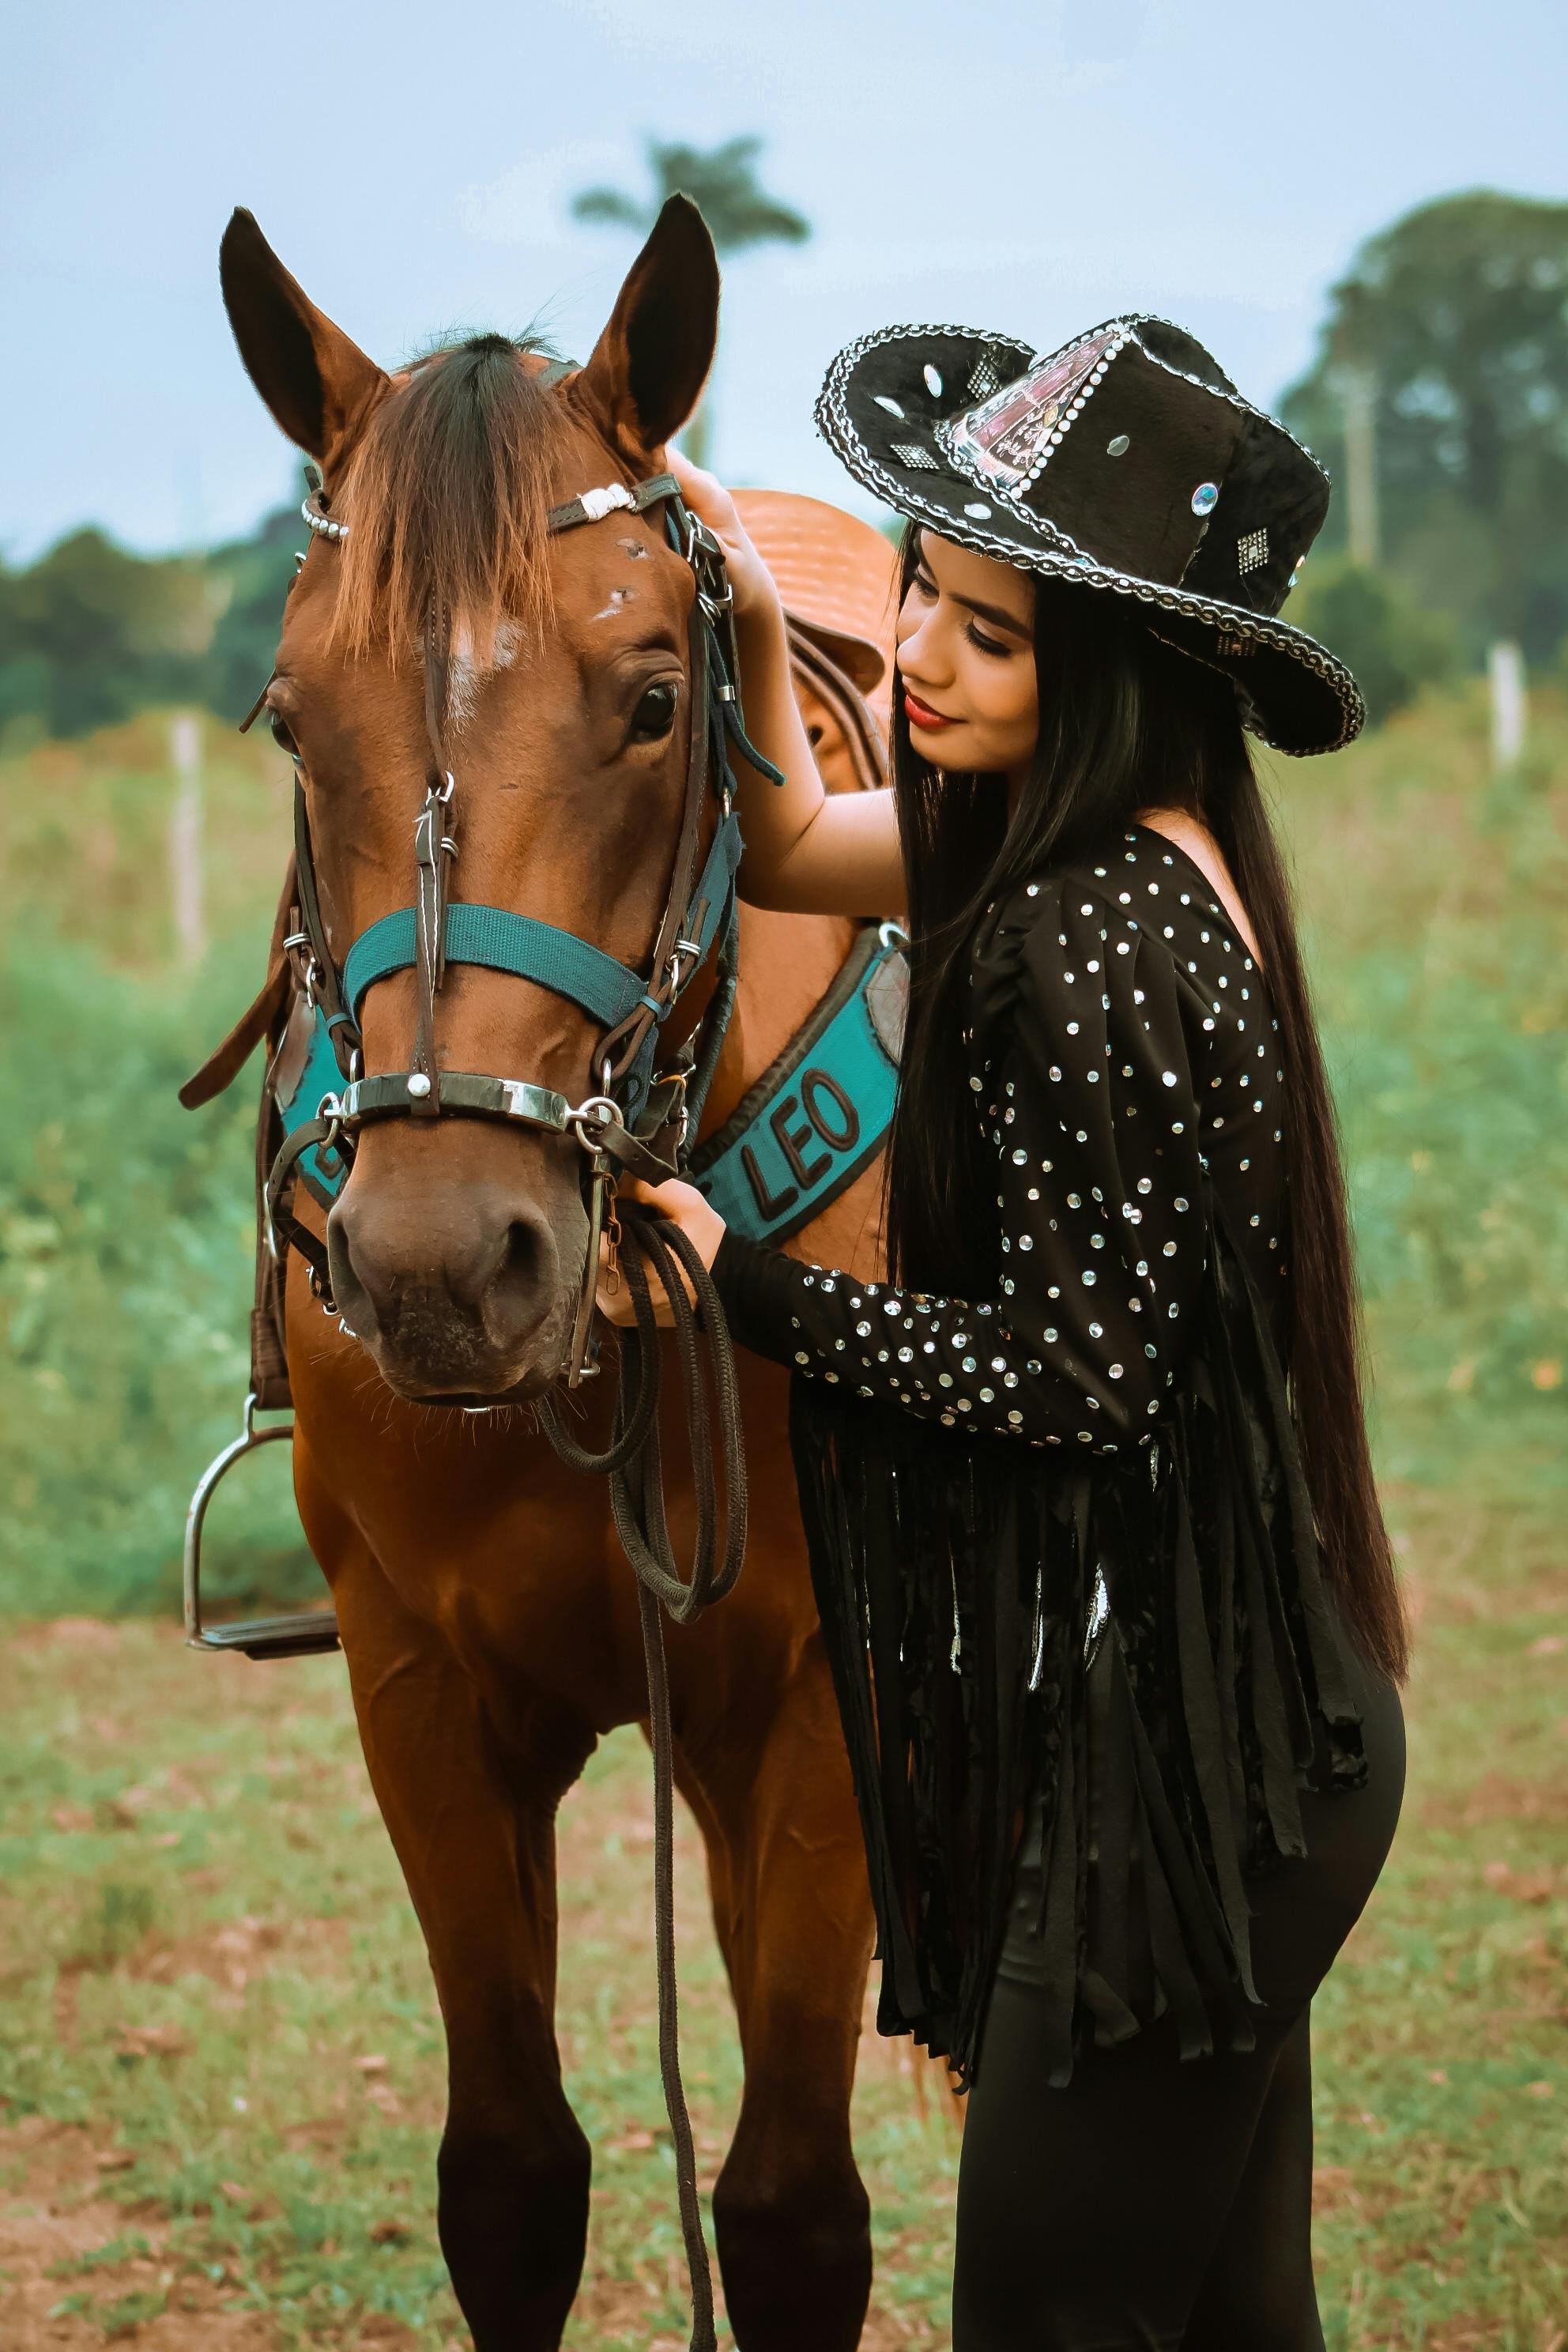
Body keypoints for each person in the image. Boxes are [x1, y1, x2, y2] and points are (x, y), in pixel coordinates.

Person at [600, 314, 1408, 2349]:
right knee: (1228, 2323)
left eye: (987, 634)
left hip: (1182, 1776)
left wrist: (742, 1284)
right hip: (1240, 1722)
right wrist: (742, 578)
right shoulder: (1118, 847)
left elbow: (1073, 1376)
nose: (923, 664)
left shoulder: (1083, 943)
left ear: (1109, 673)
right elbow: (789, 844)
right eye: (916, 600)